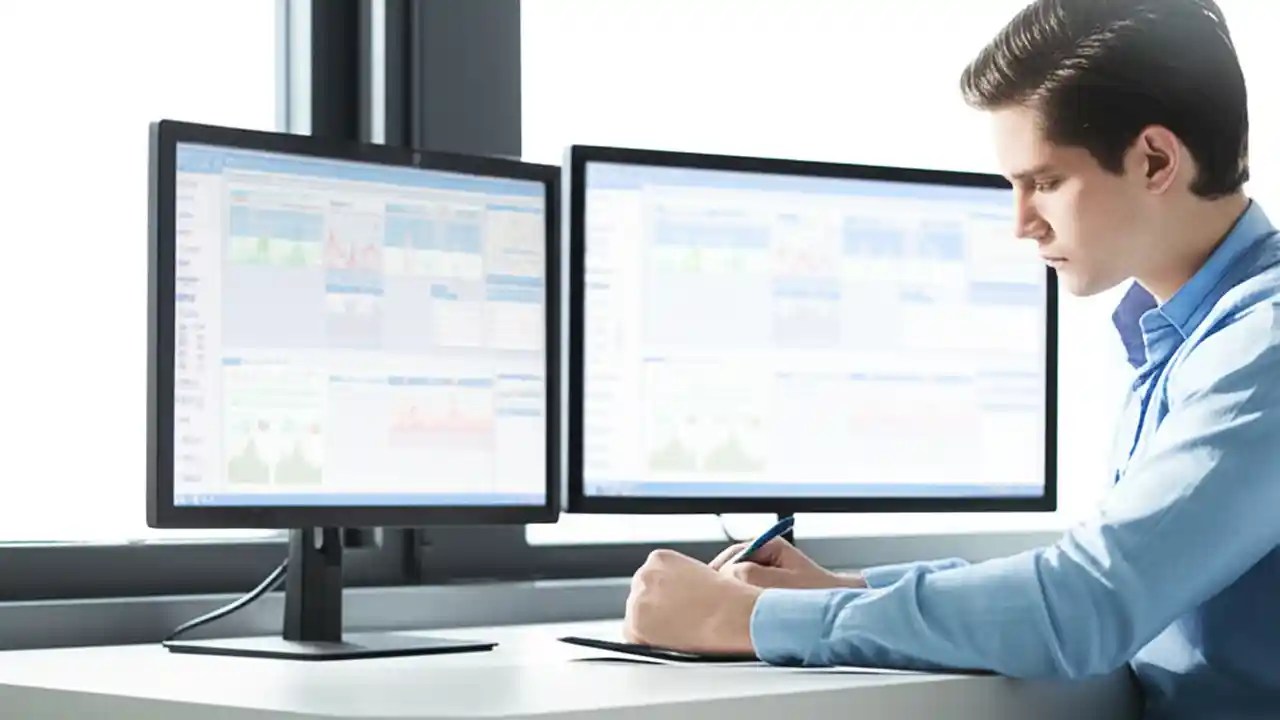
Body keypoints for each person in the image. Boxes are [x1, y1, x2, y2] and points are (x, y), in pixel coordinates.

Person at [621, 1, 1280, 718]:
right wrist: (838, 590)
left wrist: (741, 621)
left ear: (1154, 159)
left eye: (1046, 182)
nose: (1021, 222)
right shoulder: (1193, 338)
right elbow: (1103, 575)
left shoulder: (1262, 346)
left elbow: (1086, 604)